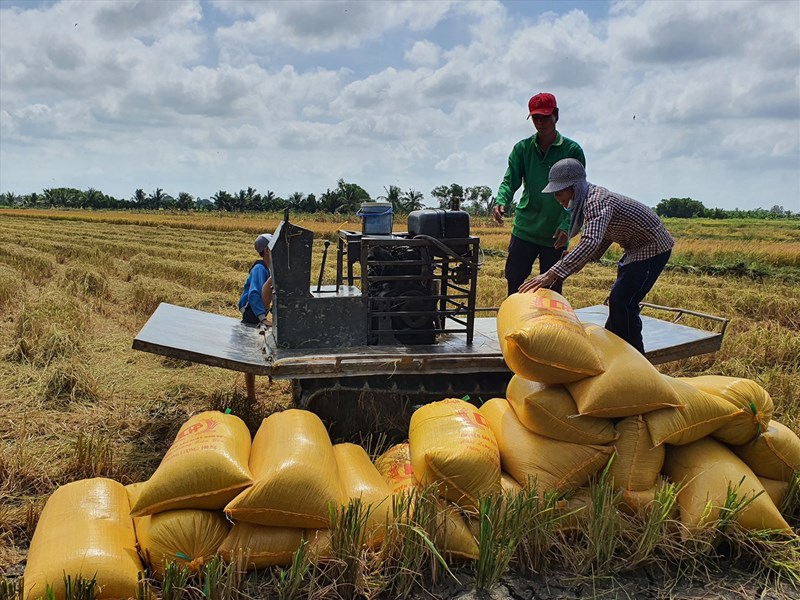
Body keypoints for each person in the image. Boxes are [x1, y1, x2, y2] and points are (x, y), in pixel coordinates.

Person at [519, 158, 674, 354]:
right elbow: (603, 237)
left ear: (574, 188)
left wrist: (551, 274)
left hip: (652, 248)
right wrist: (582, 258)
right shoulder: (589, 200)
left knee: (623, 301)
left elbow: (590, 241)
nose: (557, 198)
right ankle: (614, 349)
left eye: (559, 192)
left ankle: (636, 358)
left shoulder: (597, 202)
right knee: (618, 300)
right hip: (634, 249)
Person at [493, 92, 586, 296]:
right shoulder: (522, 149)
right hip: (525, 228)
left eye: (544, 117)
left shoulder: (572, 151)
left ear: (556, 115)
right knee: (514, 279)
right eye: (535, 118)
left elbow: (579, 194)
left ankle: (549, 319)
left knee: (552, 287)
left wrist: (566, 225)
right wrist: (501, 200)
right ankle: (516, 316)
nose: (540, 122)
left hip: (556, 232)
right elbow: (510, 180)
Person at [238, 233, 274, 400]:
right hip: (252, 313)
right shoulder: (260, 269)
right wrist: (262, 318)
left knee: (260, 347)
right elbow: (254, 295)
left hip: (259, 312)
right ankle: (251, 396)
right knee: (249, 354)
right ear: (267, 250)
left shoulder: (268, 268)